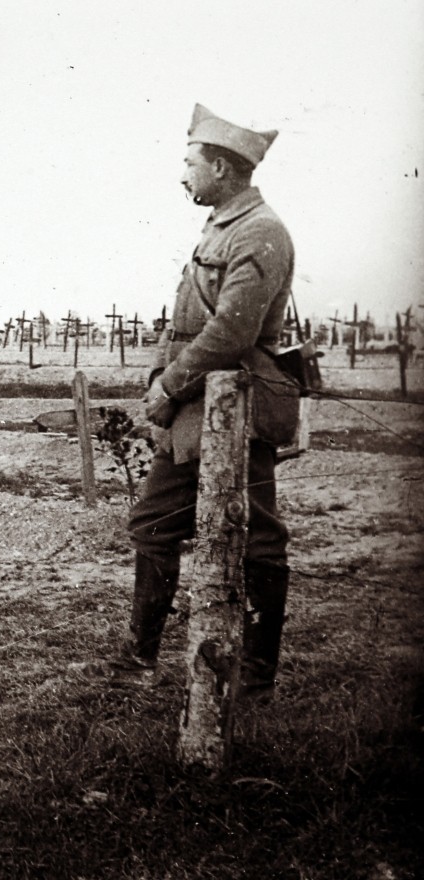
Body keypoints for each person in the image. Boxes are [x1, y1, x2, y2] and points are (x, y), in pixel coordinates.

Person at [114, 104, 297, 695]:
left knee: (257, 536)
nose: (183, 174)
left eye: (190, 163)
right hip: (197, 407)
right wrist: (160, 382)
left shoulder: (260, 231)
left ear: (220, 166)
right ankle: (139, 660)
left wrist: (170, 386)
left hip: (237, 405)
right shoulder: (221, 227)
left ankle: (256, 678)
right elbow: (184, 324)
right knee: (154, 523)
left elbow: (232, 332)